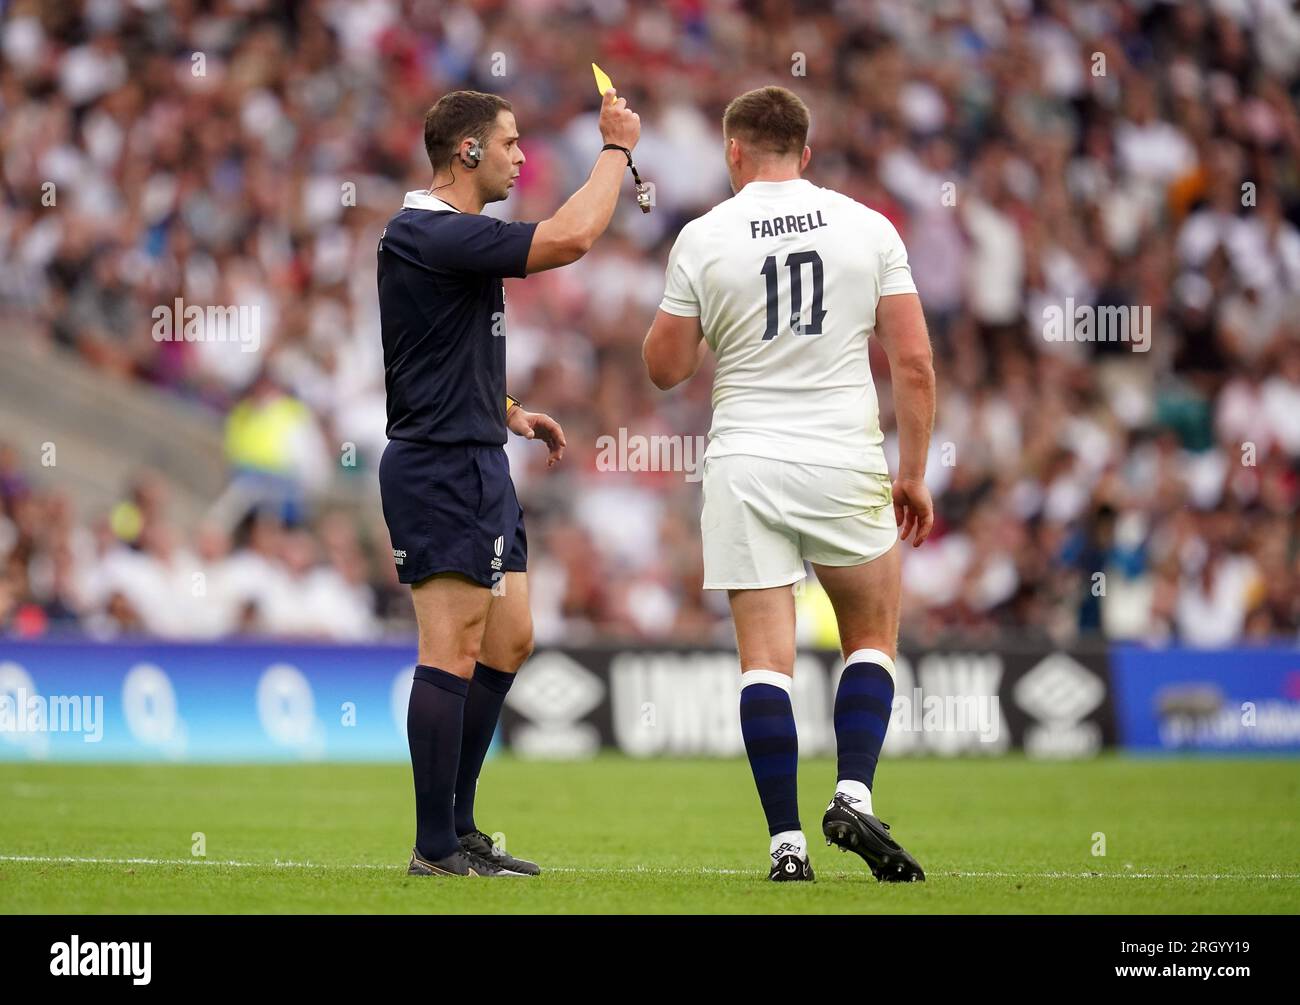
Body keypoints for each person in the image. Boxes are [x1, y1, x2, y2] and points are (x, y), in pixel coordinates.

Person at [642, 86, 934, 883]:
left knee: (765, 662)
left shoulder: (704, 236)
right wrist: (911, 472)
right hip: (844, 454)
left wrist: (696, 307)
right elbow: (912, 362)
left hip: (747, 461)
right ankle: (853, 794)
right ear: (805, 153)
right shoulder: (868, 226)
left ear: (734, 152)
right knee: (870, 638)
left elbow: (665, 370)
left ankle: (787, 846)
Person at [378, 88, 640, 877]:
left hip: (480, 454)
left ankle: (457, 827)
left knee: (510, 635)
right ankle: (433, 845)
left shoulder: (447, 238)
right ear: (467, 152)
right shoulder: (429, 231)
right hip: (438, 466)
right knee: (451, 646)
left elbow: (436, 353)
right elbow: (569, 237)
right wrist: (616, 150)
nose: (522, 157)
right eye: (511, 143)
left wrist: (510, 409)